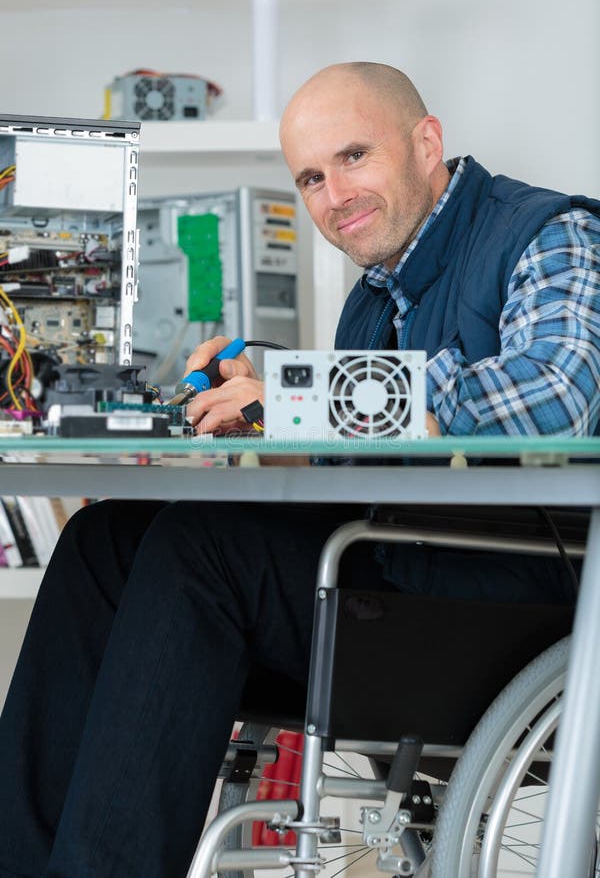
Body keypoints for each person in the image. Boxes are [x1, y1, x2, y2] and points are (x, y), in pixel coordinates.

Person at [1, 62, 599, 878]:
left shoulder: (548, 234)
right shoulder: (378, 292)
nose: (332, 195)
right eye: (310, 177)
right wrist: (262, 392)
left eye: (354, 156)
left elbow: (557, 393)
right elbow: (373, 436)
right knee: (105, 539)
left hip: (501, 605)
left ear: (428, 143)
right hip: (397, 572)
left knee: (200, 547)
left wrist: (300, 396)